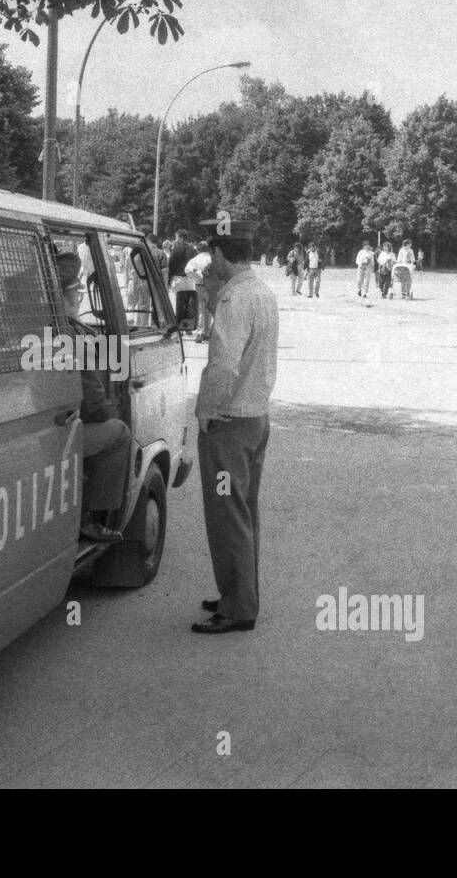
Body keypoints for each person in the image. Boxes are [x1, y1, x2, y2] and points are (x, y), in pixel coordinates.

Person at [192, 221, 278, 634]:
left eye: (213, 256)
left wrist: (206, 409)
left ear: (221, 255)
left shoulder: (234, 301)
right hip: (255, 419)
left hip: (229, 424)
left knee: (228, 515)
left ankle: (239, 608)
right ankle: (238, 595)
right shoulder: (260, 291)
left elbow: (224, 363)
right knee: (243, 512)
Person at [55, 252, 130, 544]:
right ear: (67, 296)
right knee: (119, 433)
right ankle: (86, 519)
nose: (80, 298)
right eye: (77, 292)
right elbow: (94, 406)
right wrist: (109, 413)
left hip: (33, 428)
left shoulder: (27, 325)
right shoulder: (72, 337)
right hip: (56, 434)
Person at [167, 230, 198, 331]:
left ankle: (175, 327)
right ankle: (188, 327)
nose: (175, 240)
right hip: (190, 279)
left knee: (176, 304)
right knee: (188, 304)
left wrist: (168, 282)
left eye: (176, 238)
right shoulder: (193, 250)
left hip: (178, 278)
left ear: (180, 238)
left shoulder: (176, 249)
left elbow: (171, 266)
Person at [185, 243, 214, 341]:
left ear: (198, 250)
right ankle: (207, 332)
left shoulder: (195, 260)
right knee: (208, 310)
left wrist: (197, 279)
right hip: (211, 287)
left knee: (200, 310)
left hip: (199, 286)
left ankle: (200, 333)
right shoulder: (212, 259)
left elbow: (188, 271)